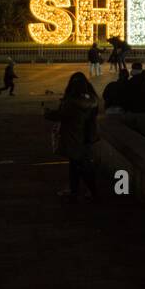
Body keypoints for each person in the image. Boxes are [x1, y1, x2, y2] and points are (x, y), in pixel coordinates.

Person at [44, 72, 100, 203]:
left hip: (74, 136)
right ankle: (75, 191)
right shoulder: (92, 100)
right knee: (77, 164)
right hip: (88, 136)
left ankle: (91, 192)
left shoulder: (72, 102)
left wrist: (46, 113)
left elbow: (61, 115)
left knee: (79, 165)